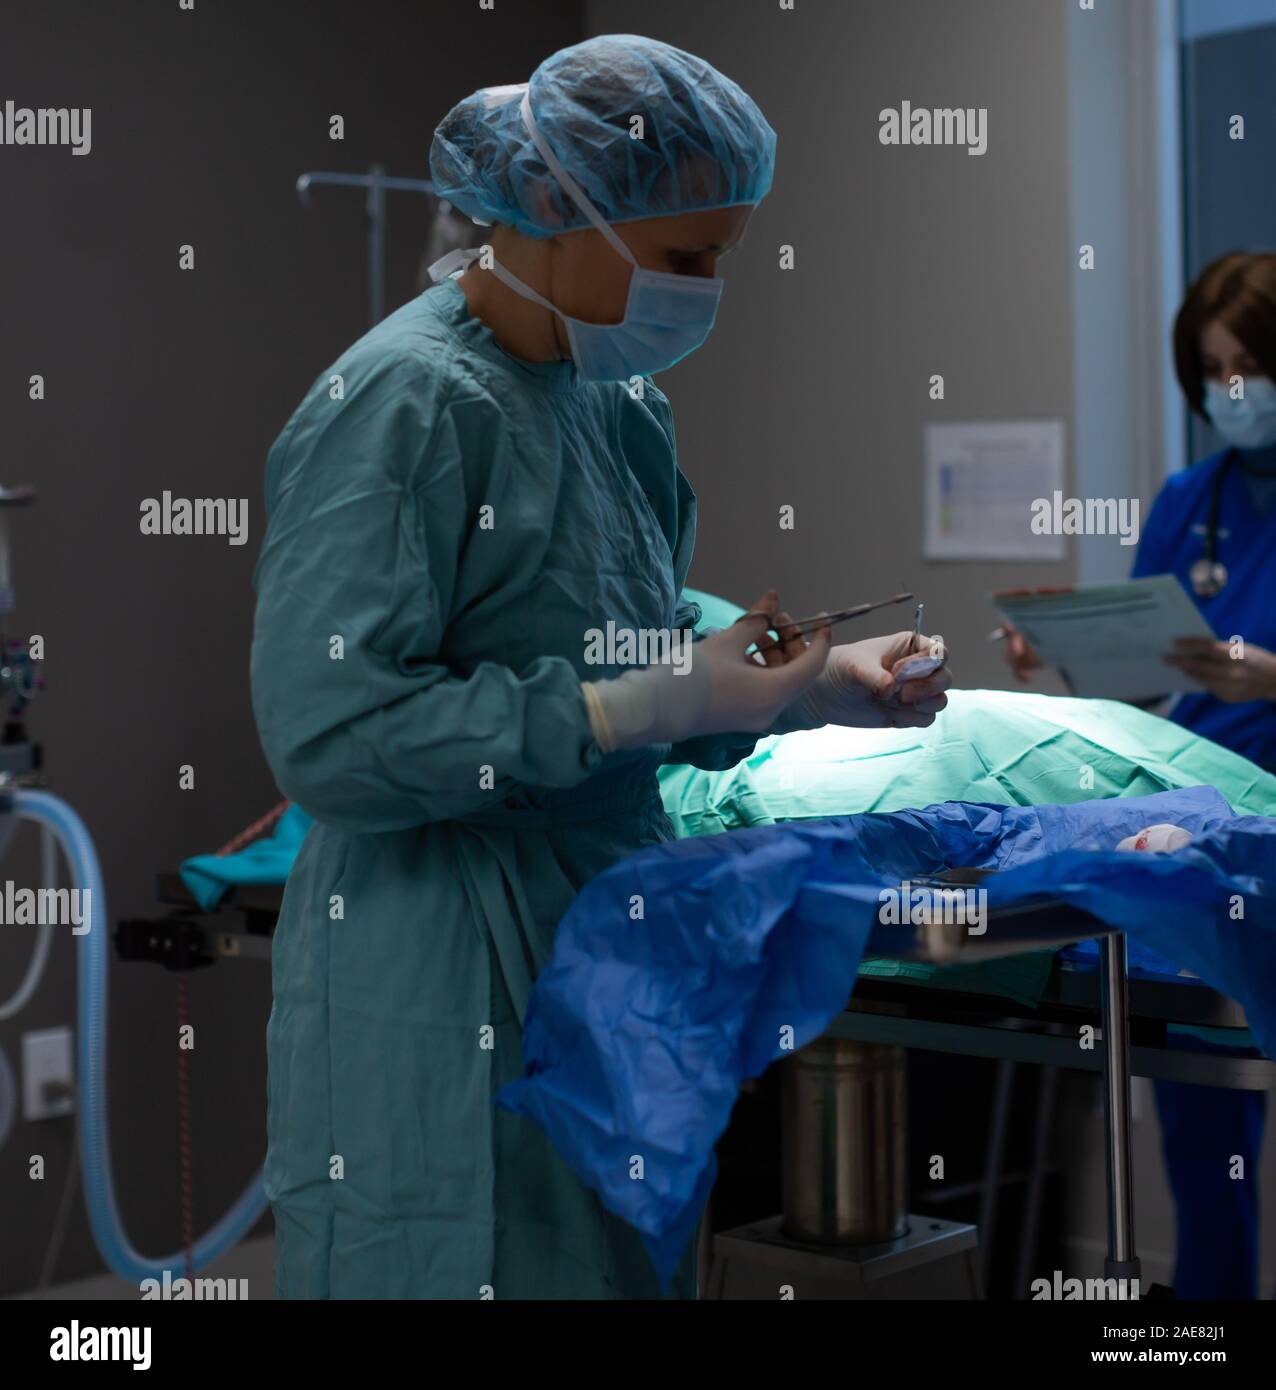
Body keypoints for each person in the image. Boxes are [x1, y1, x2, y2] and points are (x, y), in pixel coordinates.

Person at [251, 34, 950, 1300]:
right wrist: (643, 700)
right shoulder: (402, 405)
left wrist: (812, 677)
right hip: (440, 952)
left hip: (606, 930)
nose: (702, 292)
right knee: (468, 1252)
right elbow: (334, 734)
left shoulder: (609, 399)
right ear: (564, 209)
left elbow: (612, 609)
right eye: (687, 258)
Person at [1006, 250, 1276, 1299]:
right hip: (1196, 839)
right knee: (1204, 1135)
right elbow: (1142, 690)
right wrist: (1067, 658)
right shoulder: (1187, 499)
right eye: (1211, 370)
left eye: (1250, 361)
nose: (1231, 391)